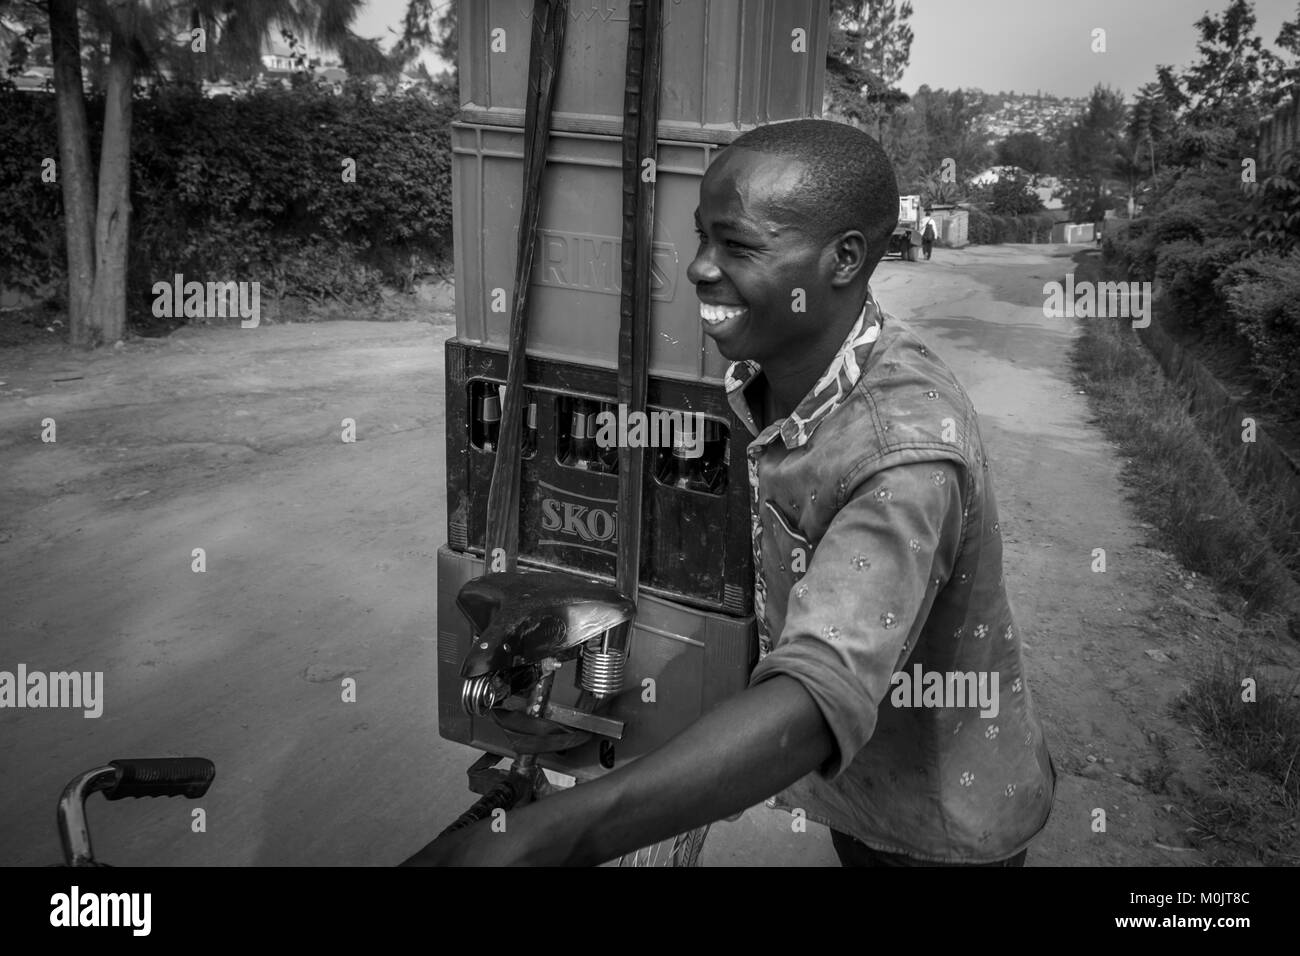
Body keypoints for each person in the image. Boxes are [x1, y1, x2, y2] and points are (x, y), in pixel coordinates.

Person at [404, 118, 1055, 867]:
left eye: (738, 246)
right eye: (702, 237)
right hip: (862, 793)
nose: (699, 268)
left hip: (937, 822)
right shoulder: (777, 372)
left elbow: (817, 695)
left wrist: (550, 835)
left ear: (844, 259)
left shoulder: (902, 453)